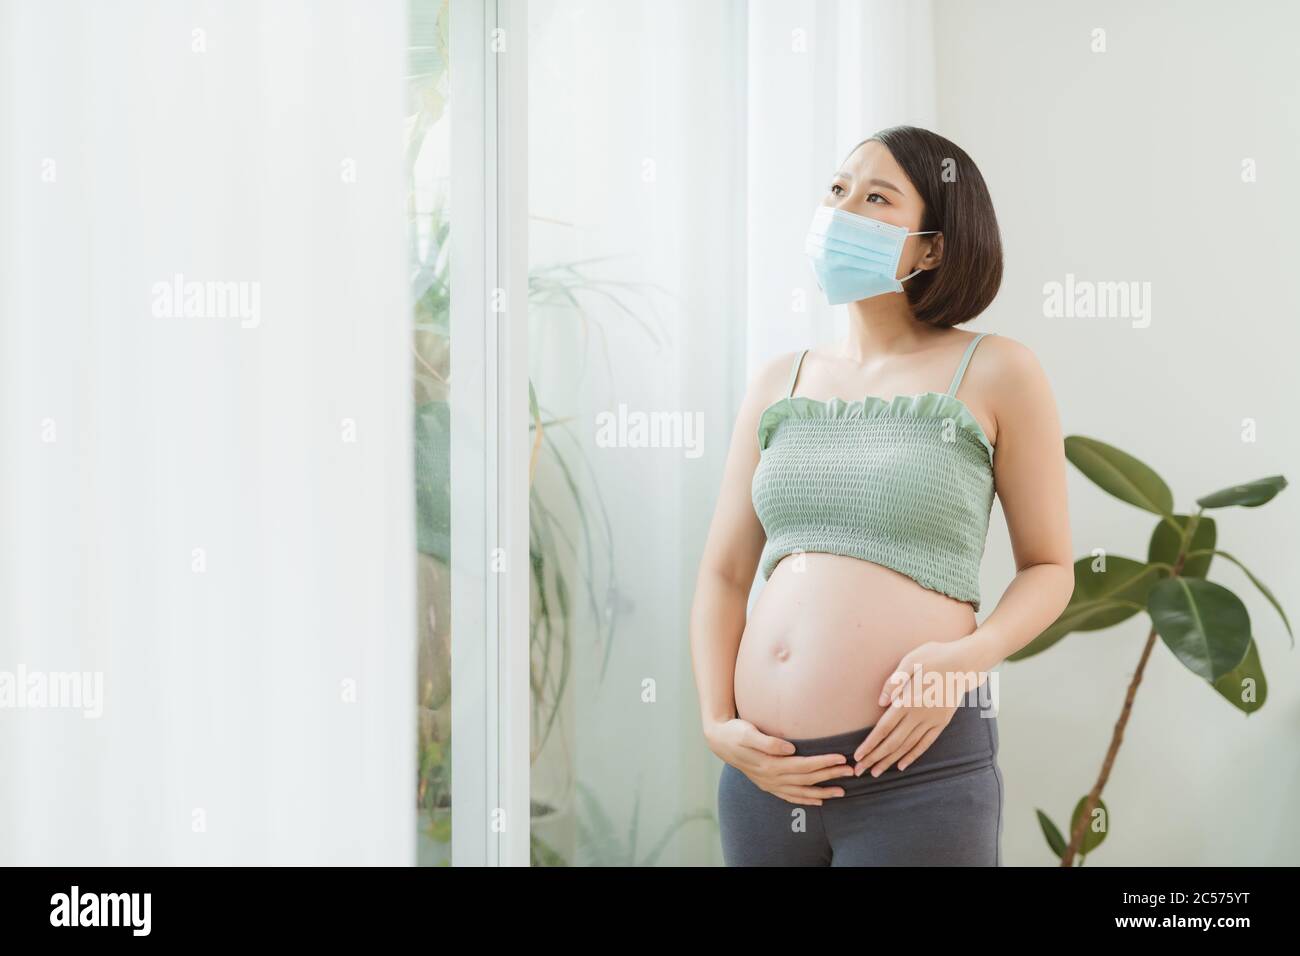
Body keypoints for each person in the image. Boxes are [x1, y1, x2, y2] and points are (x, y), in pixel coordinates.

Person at [689, 125, 1074, 866]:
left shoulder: (997, 370)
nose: (841, 213)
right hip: (765, 781)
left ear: (930, 246)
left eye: (876, 198)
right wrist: (715, 723)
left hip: (915, 777)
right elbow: (725, 574)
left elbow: (1051, 568)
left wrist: (969, 657)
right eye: (836, 191)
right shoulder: (779, 379)